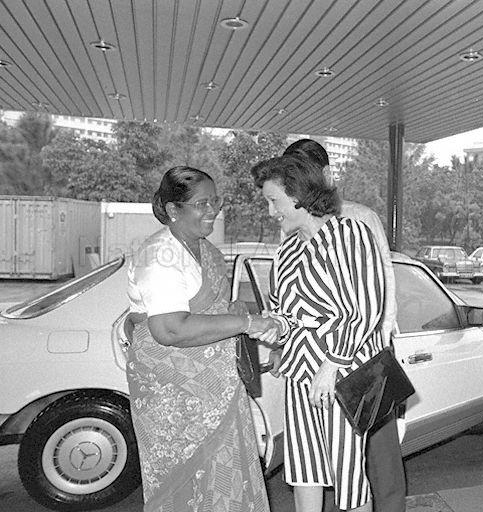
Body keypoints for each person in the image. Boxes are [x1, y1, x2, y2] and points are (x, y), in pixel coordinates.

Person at [124, 166, 278, 512]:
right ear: (174, 210)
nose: (214, 210)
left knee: (224, 475)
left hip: (216, 387)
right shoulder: (159, 255)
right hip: (175, 394)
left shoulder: (205, 250)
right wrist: (245, 322)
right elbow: (170, 330)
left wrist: (234, 312)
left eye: (216, 201)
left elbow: (211, 308)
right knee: (182, 482)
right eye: (203, 203)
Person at [253, 154, 386, 512]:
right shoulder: (288, 248)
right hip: (301, 372)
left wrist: (331, 366)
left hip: (344, 372)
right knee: (304, 467)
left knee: (349, 472)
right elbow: (284, 308)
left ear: (298, 194)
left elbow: (366, 309)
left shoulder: (351, 234)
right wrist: (275, 328)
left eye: (273, 201)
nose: (270, 212)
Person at [283, 138, 405, 512]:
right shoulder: (294, 223)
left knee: (379, 457)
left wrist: (373, 350)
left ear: (326, 175)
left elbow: (382, 287)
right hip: (316, 357)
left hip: (364, 351)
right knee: (319, 458)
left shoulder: (358, 218)